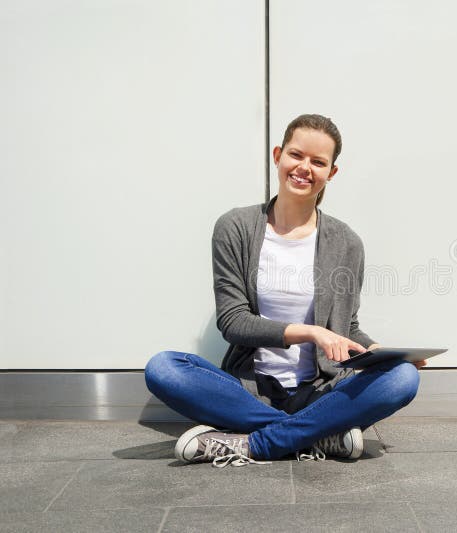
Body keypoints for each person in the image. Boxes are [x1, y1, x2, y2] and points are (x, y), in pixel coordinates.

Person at [144, 114, 423, 467]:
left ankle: (256, 444)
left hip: (321, 392)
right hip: (250, 391)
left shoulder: (347, 243)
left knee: (403, 378)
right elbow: (233, 321)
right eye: (296, 155)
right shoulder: (236, 227)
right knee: (164, 368)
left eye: (318, 162)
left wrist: (378, 351)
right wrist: (311, 332)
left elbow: (347, 329)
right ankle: (319, 437)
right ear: (278, 155)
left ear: (331, 173)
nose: (304, 168)